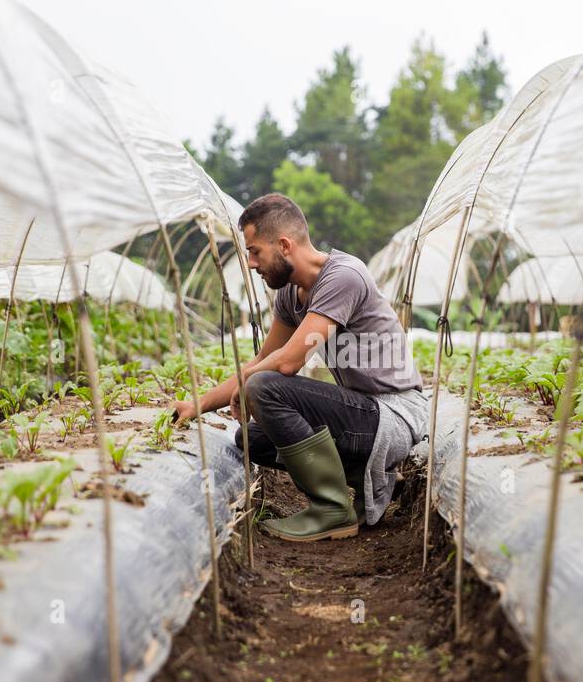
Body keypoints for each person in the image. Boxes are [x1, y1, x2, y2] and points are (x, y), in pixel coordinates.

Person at [170, 194, 428, 542]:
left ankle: (333, 510)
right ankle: (373, 475)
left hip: (394, 415)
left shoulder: (343, 277)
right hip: (365, 416)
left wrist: (248, 383)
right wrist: (197, 405)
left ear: (284, 245)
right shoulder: (291, 295)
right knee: (253, 440)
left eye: (255, 250)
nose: (250, 263)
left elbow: (289, 361)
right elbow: (262, 360)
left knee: (265, 387)